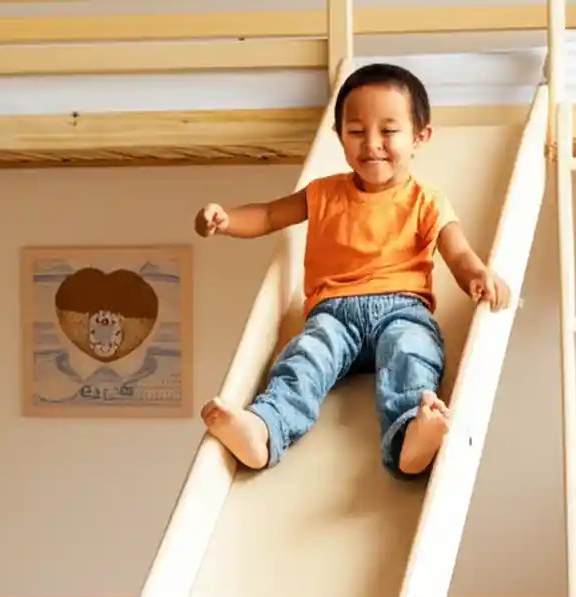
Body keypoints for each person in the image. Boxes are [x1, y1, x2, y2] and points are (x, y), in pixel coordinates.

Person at [193, 62, 511, 478]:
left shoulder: (427, 201)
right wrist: (226, 220)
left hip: (402, 310)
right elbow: (270, 215)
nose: (372, 144)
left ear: (420, 137)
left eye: (389, 132)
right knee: (305, 357)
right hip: (333, 314)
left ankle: (410, 435)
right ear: (340, 136)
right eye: (357, 132)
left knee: (411, 352)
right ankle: (265, 428)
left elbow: (458, 254)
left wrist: (478, 275)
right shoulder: (323, 192)